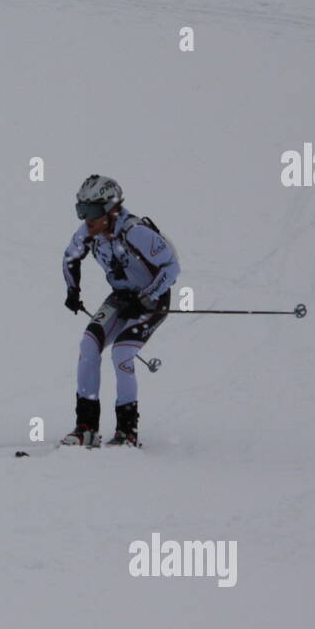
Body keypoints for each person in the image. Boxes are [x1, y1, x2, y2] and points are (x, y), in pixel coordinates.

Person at [61, 175, 180, 447]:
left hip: (152, 300)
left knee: (122, 353)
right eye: (81, 210)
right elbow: (69, 258)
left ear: (111, 209)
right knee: (88, 345)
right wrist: (72, 290)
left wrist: (147, 296)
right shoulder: (88, 233)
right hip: (121, 297)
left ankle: (127, 432)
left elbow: (172, 267)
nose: (85, 219)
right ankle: (85, 428)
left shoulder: (135, 232)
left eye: (90, 211)